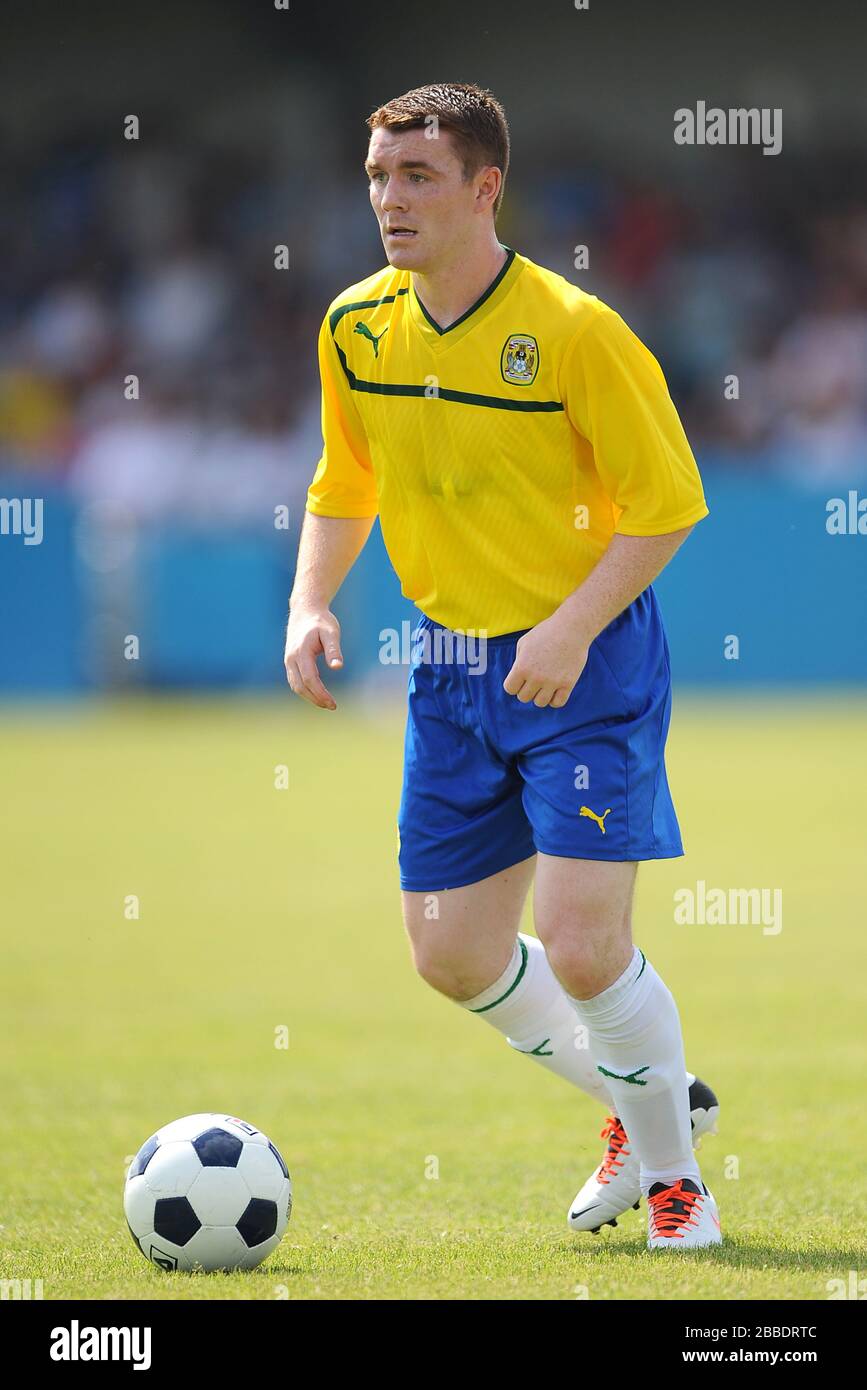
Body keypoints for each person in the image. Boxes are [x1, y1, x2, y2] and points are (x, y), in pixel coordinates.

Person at [285, 82, 720, 1248]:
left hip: (583, 661)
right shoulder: (353, 325)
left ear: (485, 189)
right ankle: (639, 1104)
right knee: (451, 953)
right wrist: (311, 601)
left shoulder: (577, 329)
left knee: (583, 945)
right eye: (378, 177)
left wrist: (572, 625)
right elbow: (345, 483)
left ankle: (680, 1180)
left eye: (416, 176)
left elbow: (668, 504)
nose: (389, 199)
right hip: (448, 672)